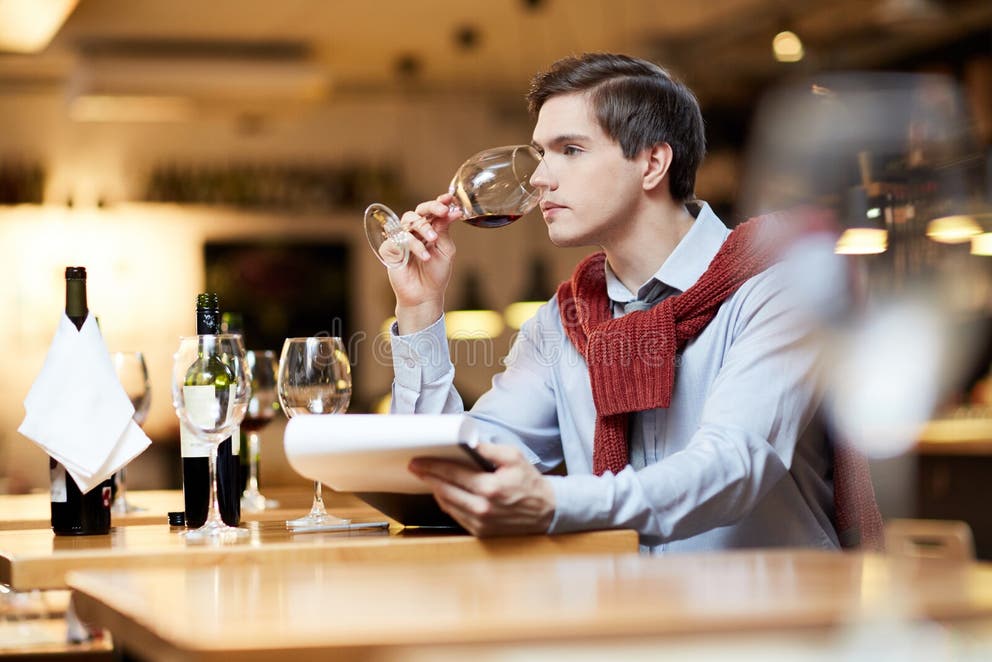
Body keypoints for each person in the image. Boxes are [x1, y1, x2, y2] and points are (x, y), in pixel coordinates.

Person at [385, 52, 843, 552]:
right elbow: (450, 470)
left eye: (571, 150)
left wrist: (557, 503)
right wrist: (420, 307)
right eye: (541, 154)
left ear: (652, 163)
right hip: (617, 612)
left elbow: (732, 466)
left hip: (774, 620)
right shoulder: (564, 322)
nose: (540, 178)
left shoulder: (775, 287)